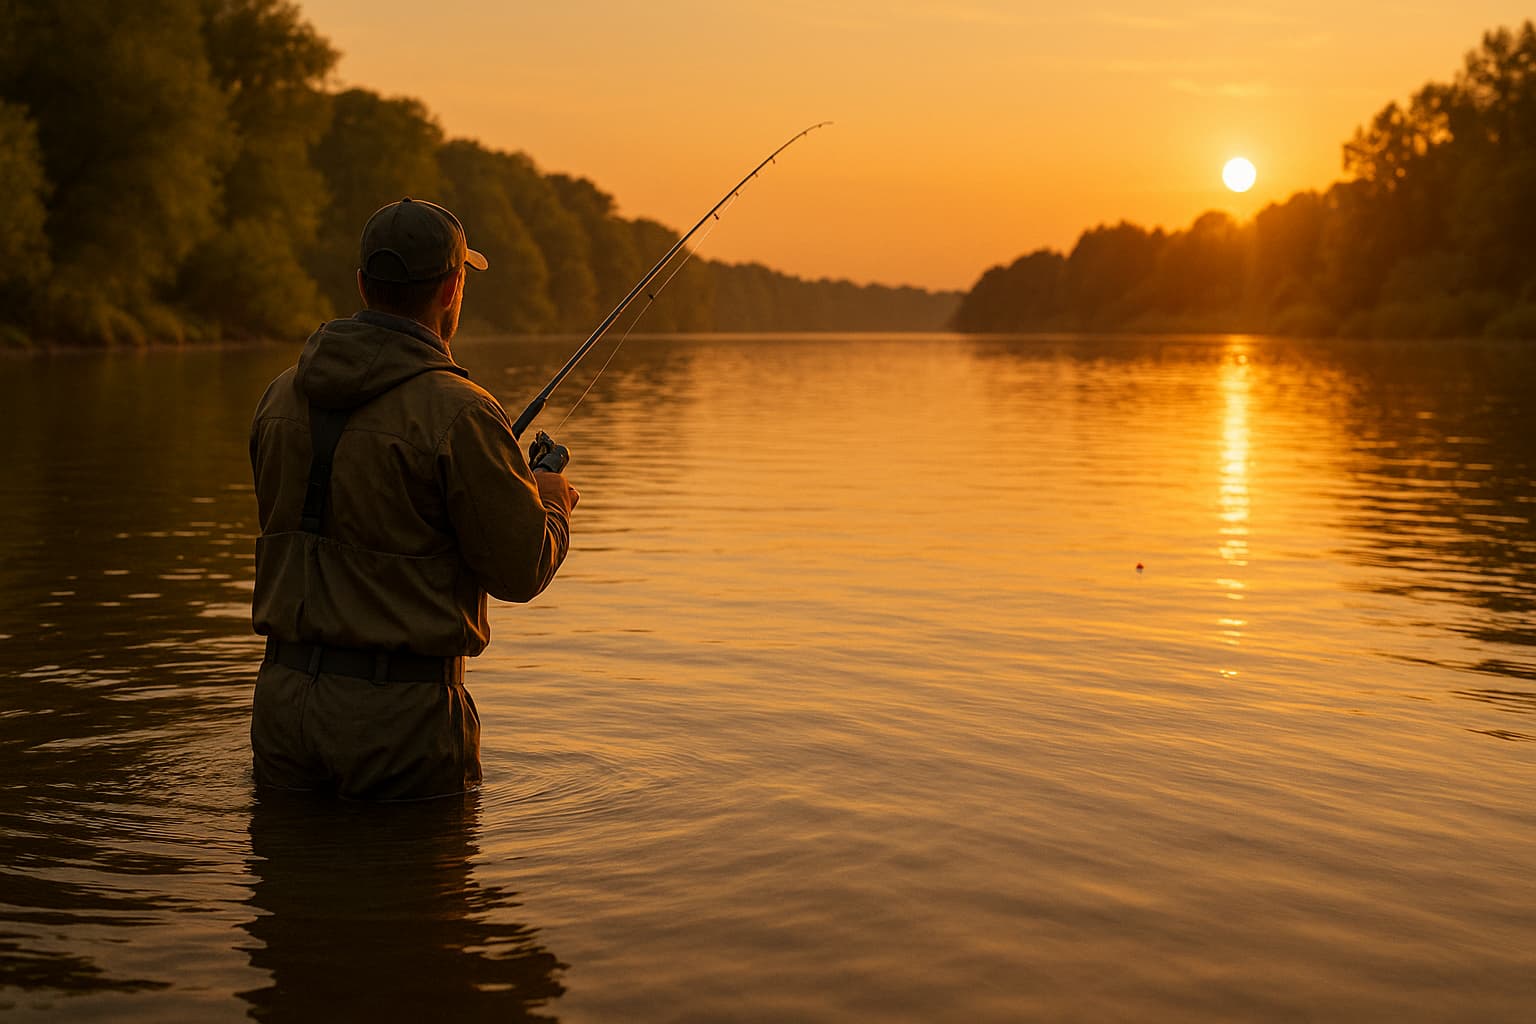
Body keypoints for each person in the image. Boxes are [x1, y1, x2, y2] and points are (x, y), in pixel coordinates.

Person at [248, 197, 578, 800]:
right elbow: (520, 570)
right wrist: (551, 501)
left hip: (281, 708)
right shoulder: (463, 411)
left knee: (288, 889)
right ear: (453, 287)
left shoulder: (278, 398)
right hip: (402, 723)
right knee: (421, 890)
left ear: (361, 283)